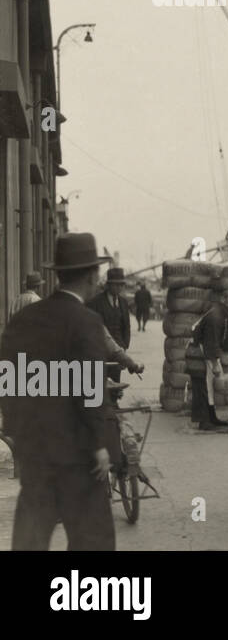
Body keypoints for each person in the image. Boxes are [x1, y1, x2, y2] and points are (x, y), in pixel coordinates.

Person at [0, 233, 116, 550]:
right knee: (92, 542)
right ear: (92, 276)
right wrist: (98, 444)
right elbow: (90, 388)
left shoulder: (22, 321)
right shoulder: (86, 322)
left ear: (58, 273)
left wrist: (15, 435)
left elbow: (7, 380)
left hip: (35, 455)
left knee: (30, 542)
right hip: (78, 458)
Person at [189, 300, 228, 432]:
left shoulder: (221, 314)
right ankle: (204, 421)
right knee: (204, 388)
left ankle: (212, 417)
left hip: (206, 353)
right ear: (225, 300)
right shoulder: (215, 317)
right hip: (201, 355)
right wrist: (215, 364)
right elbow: (211, 342)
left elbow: (227, 339)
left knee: (210, 389)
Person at [88, 267, 132, 352]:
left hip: (120, 349)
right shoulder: (95, 302)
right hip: (101, 350)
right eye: (115, 285)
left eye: (121, 285)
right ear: (108, 285)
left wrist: (125, 344)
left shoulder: (123, 302)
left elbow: (126, 326)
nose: (119, 287)